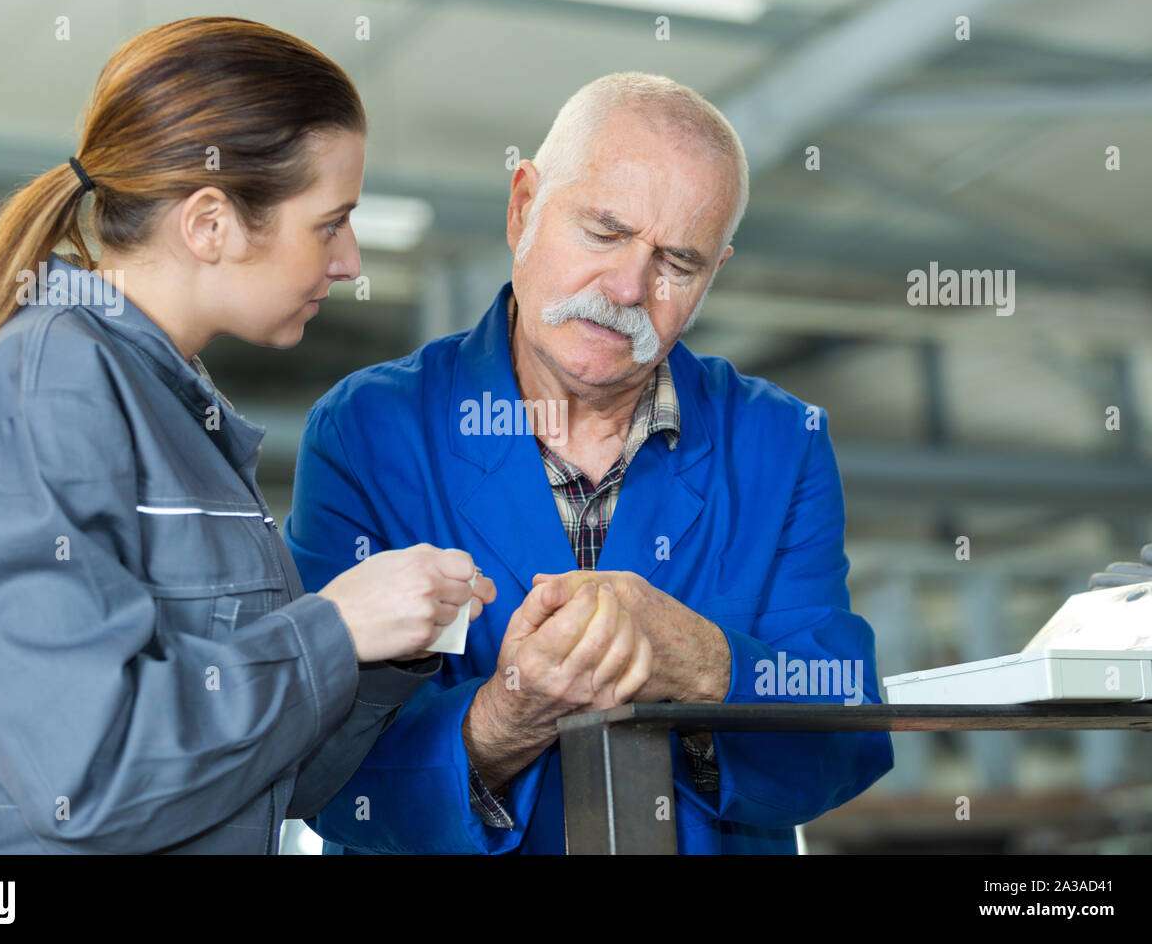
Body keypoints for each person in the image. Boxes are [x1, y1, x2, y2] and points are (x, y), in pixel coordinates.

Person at [0, 16, 493, 854]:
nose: (348, 261)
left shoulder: (183, 419)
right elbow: (85, 778)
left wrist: (383, 649)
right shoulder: (47, 387)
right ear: (209, 224)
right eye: (330, 222)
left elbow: (269, 783)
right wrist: (333, 627)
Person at [285, 72, 895, 855]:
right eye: (604, 232)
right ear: (522, 207)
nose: (629, 287)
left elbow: (846, 728)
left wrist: (710, 665)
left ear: (716, 272)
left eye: (679, 260)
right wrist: (506, 715)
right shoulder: (368, 430)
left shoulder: (778, 440)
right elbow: (323, 770)